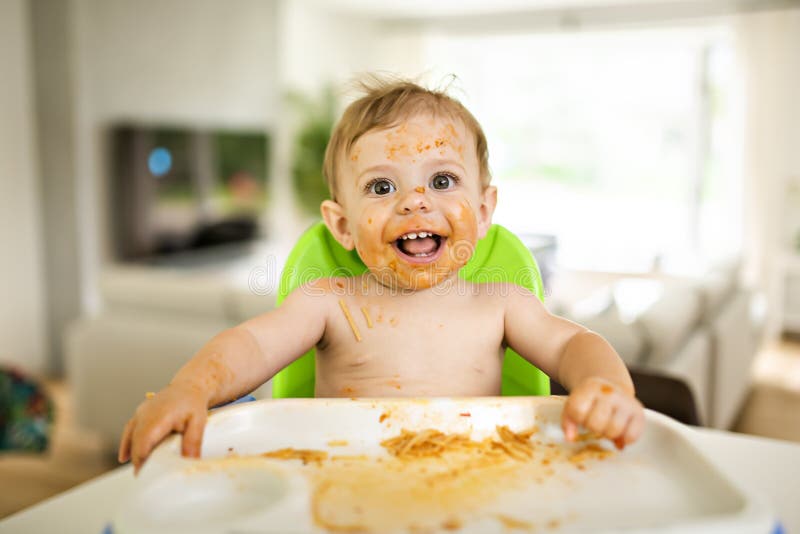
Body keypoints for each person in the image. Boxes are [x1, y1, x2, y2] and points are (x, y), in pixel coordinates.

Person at [118, 76, 644, 474]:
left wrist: (606, 387)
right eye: (381, 187)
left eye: (442, 179)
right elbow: (251, 345)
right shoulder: (328, 302)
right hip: (343, 482)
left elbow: (575, 344)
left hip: (477, 481)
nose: (416, 202)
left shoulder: (501, 305)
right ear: (342, 225)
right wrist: (190, 387)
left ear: (483, 212)